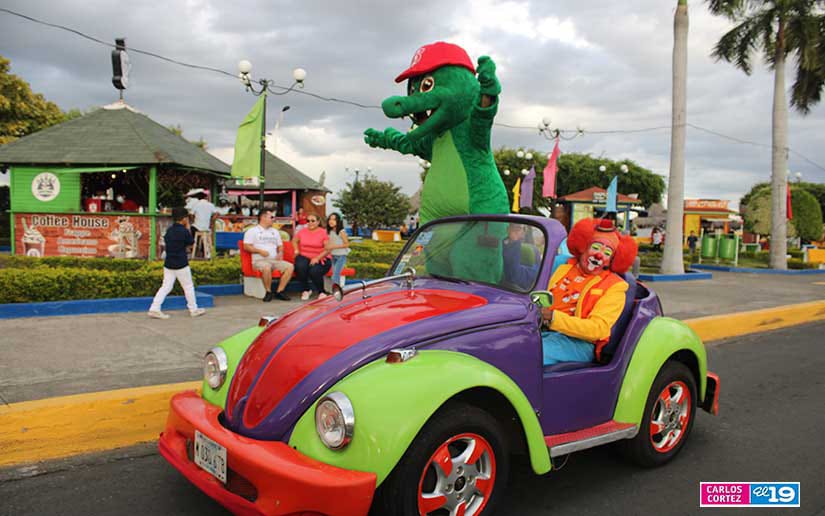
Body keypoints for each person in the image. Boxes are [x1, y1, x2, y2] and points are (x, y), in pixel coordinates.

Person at [540, 218, 638, 366]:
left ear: (611, 260)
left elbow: (598, 329)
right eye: (596, 247)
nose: (598, 256)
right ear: (584, 246)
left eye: (607, 252)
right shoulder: (561, 264)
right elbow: (531, 284)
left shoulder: (615, 286)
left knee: (530, 353)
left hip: (578, 343)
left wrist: (553, 318)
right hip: (537, 329)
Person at [148, 207, 206, 319]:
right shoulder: (183, 231)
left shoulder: (169, 230)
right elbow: (191, 243)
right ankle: (193, 309)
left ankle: (154, 308)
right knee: (188, 286)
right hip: (181, 263)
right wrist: (188, 227)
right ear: (184, 219)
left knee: (166, 286)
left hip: (169, 263)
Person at [243, 210, 293, 302]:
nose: (273, 219)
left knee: (289, 266)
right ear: (263, 218)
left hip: (274, 259)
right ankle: (268, 291)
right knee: (266, 267)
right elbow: (246, 246)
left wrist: (280, 253)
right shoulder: (252, 231)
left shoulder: (275, 231)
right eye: (271, 217)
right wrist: (259, 251)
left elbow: (280, 245)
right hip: (259, 260)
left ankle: (280, 291)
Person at [293, 213, 331, 300]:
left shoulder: (323, 232)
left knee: (314, 270)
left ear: (318, 222)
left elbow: (328, 249)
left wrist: (317, 258)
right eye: (308, 221)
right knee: (299, 266)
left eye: (313, 221)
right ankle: (306, 290)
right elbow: (294, 241)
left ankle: (321, 291)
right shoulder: (302, 231)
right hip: (304, 255)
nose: (310, 223)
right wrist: (296, 250)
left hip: (321, 257)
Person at [502, 223, 540, 290]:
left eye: (519, 228)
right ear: (508, 229)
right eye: (514, 228)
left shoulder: (530, 250)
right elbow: (513, 275)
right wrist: (514, 241)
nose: (516, 230)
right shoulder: (504, 243)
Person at [189, 191, 218, 259]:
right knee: (201, 236)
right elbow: (216, 213)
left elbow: (191, 214)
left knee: (192, 229)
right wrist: (211, 221)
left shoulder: (196, 204)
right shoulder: (210, 205)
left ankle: (197, 249)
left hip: (197, 226)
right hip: (206, 227)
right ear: (206, 197)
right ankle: (205, 250)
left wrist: (193, 220)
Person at [325, 212, 350, 287]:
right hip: (332, 256)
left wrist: (333, 246)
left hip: (341, 256)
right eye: (330, 219)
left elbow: (347, 244)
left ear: (338, 221)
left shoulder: (341, 232)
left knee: (335, 274)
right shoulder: (330, 231)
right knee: (334, 273)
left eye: (334, 220)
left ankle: (336, 291)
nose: (331, 221)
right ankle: (335, 290)